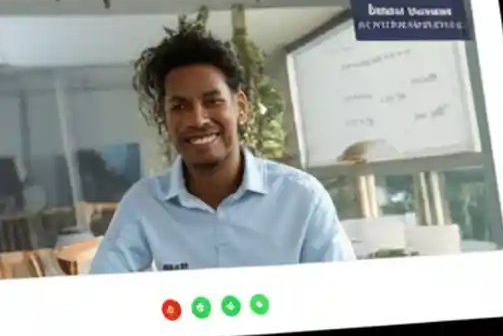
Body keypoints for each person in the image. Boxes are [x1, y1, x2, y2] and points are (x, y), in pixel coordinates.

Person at [90, 27, 354, 273]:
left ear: (240, 106)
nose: (198, 119)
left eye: (213, 101)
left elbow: (342, 298)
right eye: (179, 106)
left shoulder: (302, 197)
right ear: (163, 116)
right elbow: (101, 294)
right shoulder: (144, 204)